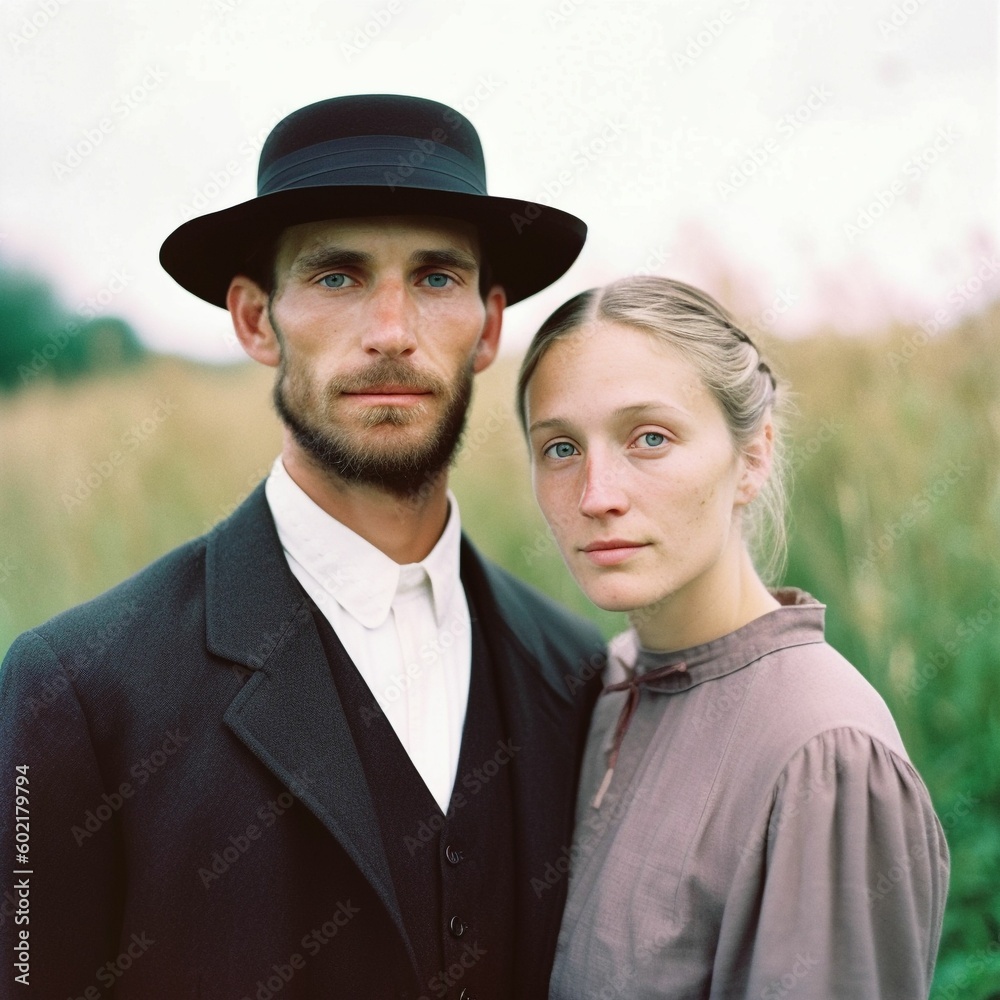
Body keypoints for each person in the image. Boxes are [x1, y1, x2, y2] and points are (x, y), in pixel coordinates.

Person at [0, 94, 606, 999]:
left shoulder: (580, 676)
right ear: (255, 321)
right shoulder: (79, 691)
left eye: (437, 278)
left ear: (487, 328)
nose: (392, 330)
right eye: (338, 276)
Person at [516, 275, 950, 999]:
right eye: (560, 447)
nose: (596, 495)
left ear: (751, 459)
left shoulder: (825, 756)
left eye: (649, 438)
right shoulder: (612, 680)